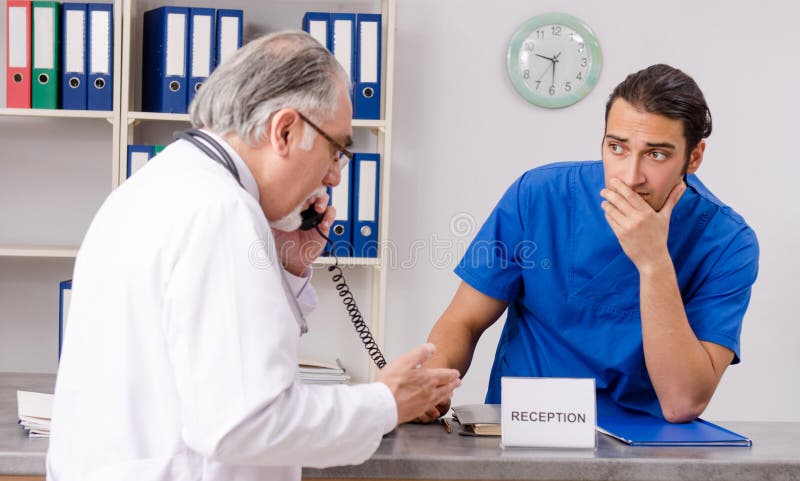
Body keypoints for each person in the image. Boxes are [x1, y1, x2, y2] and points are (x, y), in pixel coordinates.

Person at [47, 31, 460, 481]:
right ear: (285, 131)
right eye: (336, 150)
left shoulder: (152, 186)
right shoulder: (221, 210)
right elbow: (245, 422)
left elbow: (214, 364)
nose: (334, 177)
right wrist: (385, 402)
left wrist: (288, 268)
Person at [420, 64, 758, 424]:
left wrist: (654, 263)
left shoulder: (727, 242)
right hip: (525, 429)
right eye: (617, 148)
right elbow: (463, 320)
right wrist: (429, 383)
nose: (630, 176)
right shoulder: (539, 196)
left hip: (643, 443)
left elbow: (682, 403)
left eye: (656, 154)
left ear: (694, 157)